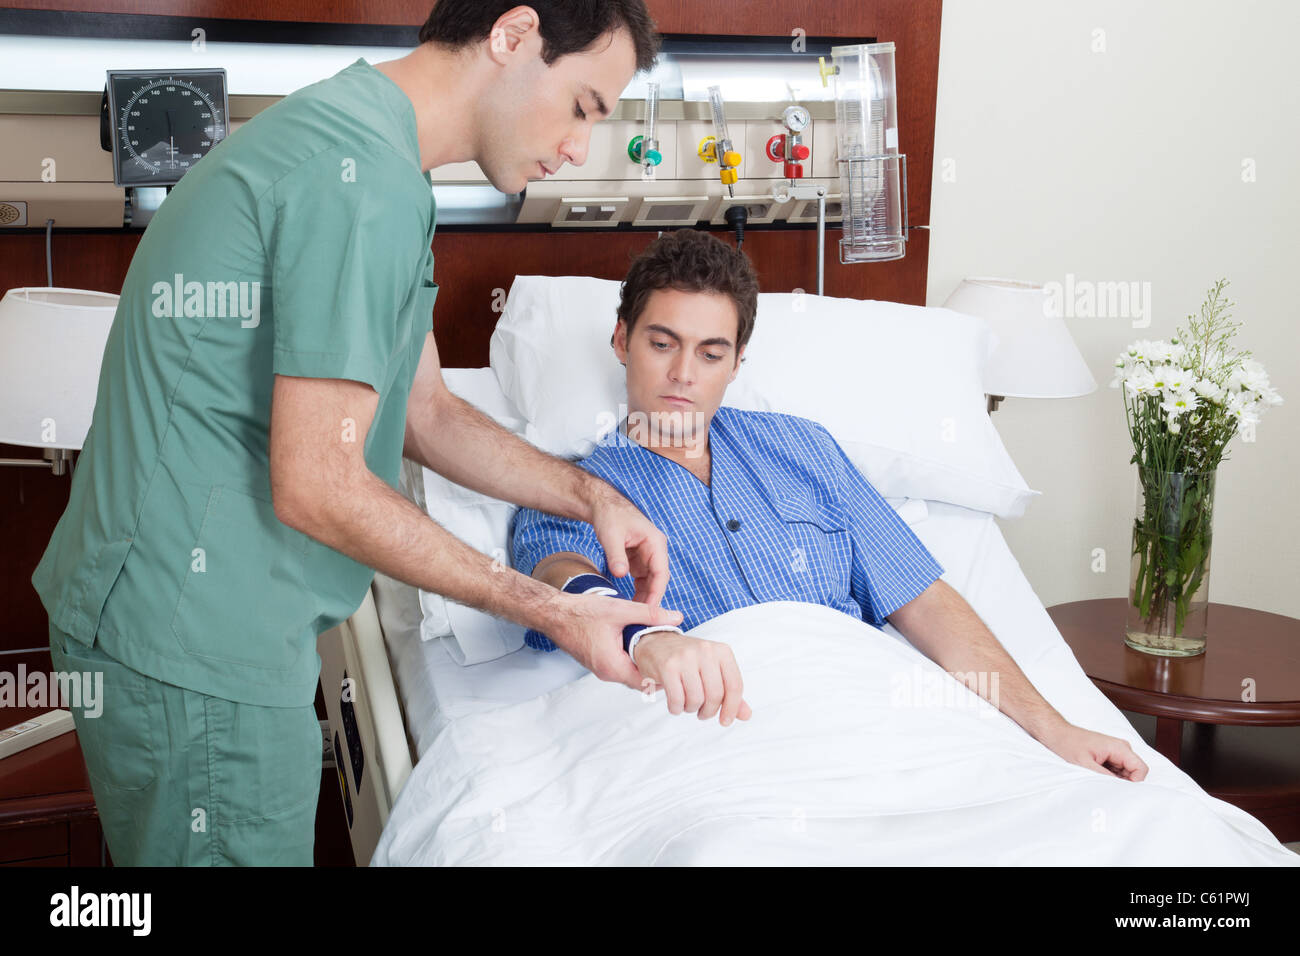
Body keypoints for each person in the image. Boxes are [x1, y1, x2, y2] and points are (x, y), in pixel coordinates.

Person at [31, 1, 680, 866]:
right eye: (584, 108)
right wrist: (551, 610)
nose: (576, 150)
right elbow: (320, 481)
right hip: (197, 651)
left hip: (168, 625)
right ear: (513, 34)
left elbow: (425, 413)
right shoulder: (361, 182)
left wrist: (591, 493)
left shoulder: (364, 150)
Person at [511, 229, 1151, 783]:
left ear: (737, 364)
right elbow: (560, 577)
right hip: (715, 733)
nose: (684, 373)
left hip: (871, 717)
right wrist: (649, 637)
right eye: (661, 343)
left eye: (711, 353)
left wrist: (1054, 729)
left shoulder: (804, 448)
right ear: (621, 340)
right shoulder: (573, 487)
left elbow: (921, 599)